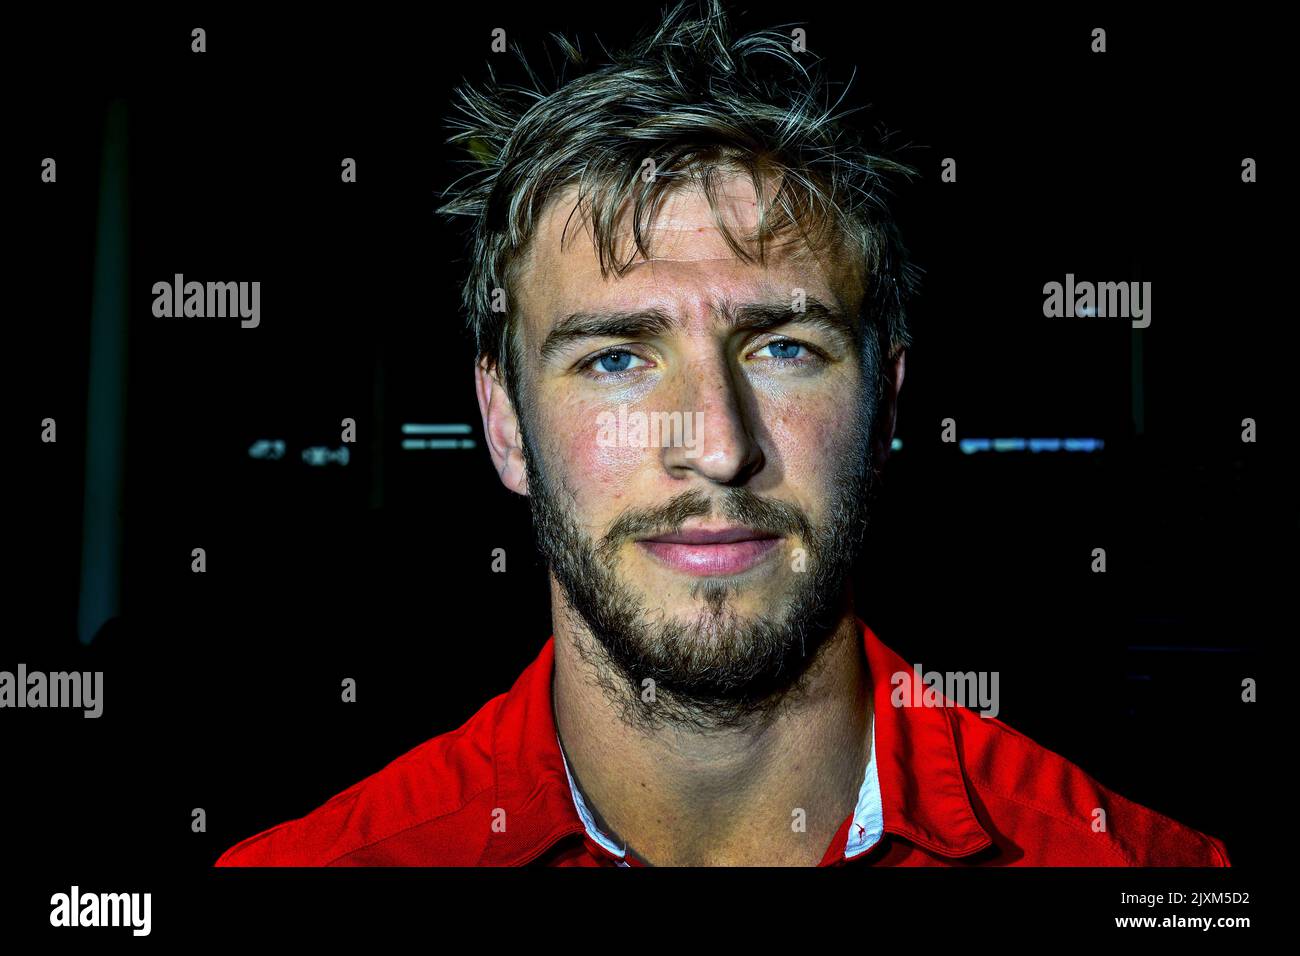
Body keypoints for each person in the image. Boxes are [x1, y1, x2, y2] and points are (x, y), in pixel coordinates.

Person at [216, 0, 1229, 867]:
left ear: (884, 404)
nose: (715, 443)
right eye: (614, 356)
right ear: (504, 423)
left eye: (783, 347)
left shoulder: (1140, 872)